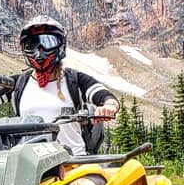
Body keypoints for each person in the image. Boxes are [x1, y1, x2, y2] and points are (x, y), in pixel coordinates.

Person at [10, 17, 120, 155]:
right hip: (32, 167)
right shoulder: (17, 83)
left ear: (60, 44)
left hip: (74, 163)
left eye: (47, 42)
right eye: (32, 44)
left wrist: (108, 107)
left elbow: (102, 94)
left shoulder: (74, 80)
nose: (40, 50)